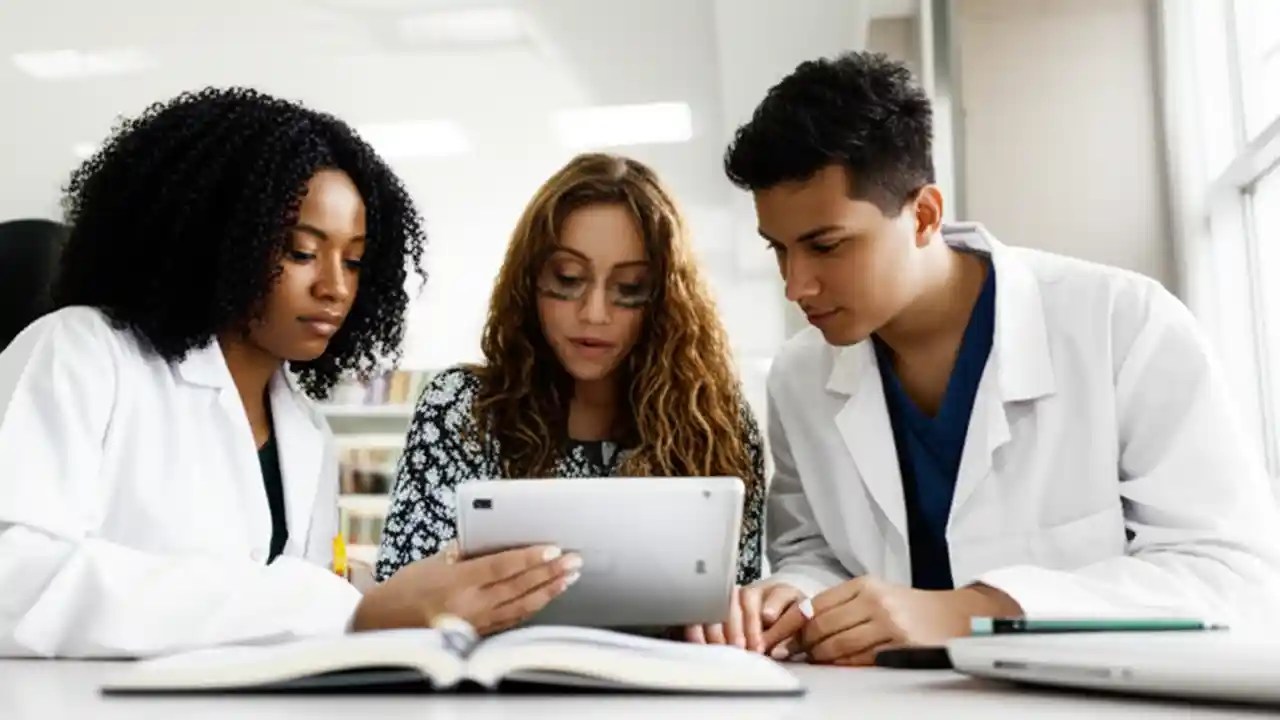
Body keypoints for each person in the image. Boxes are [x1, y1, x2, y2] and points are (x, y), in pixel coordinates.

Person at [704, 51, 1280, 664]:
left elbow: (1231, 573)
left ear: (923, 215)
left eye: (826, 246)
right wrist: (793, 598)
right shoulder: (799, 376)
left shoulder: (1123, 323)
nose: (796, 286)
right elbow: (814, 551)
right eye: (779, 251)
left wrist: (966, 610)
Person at [0, 87, 578, 658]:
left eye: (353, 260)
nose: (335, 287)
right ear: (218, 241)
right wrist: (339, 609)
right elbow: (16, 581)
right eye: (301, 252)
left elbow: (299, 626)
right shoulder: (81, 352)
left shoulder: (304, 429)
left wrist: (399, 602)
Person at [377, 153, 766, 639]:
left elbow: (738, 602)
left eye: (630, 287)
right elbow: (397, 597)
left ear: (665, 298)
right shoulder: (459, 409)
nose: (594, 313)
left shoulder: (718, 423)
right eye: (567, 279)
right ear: (529, 282)